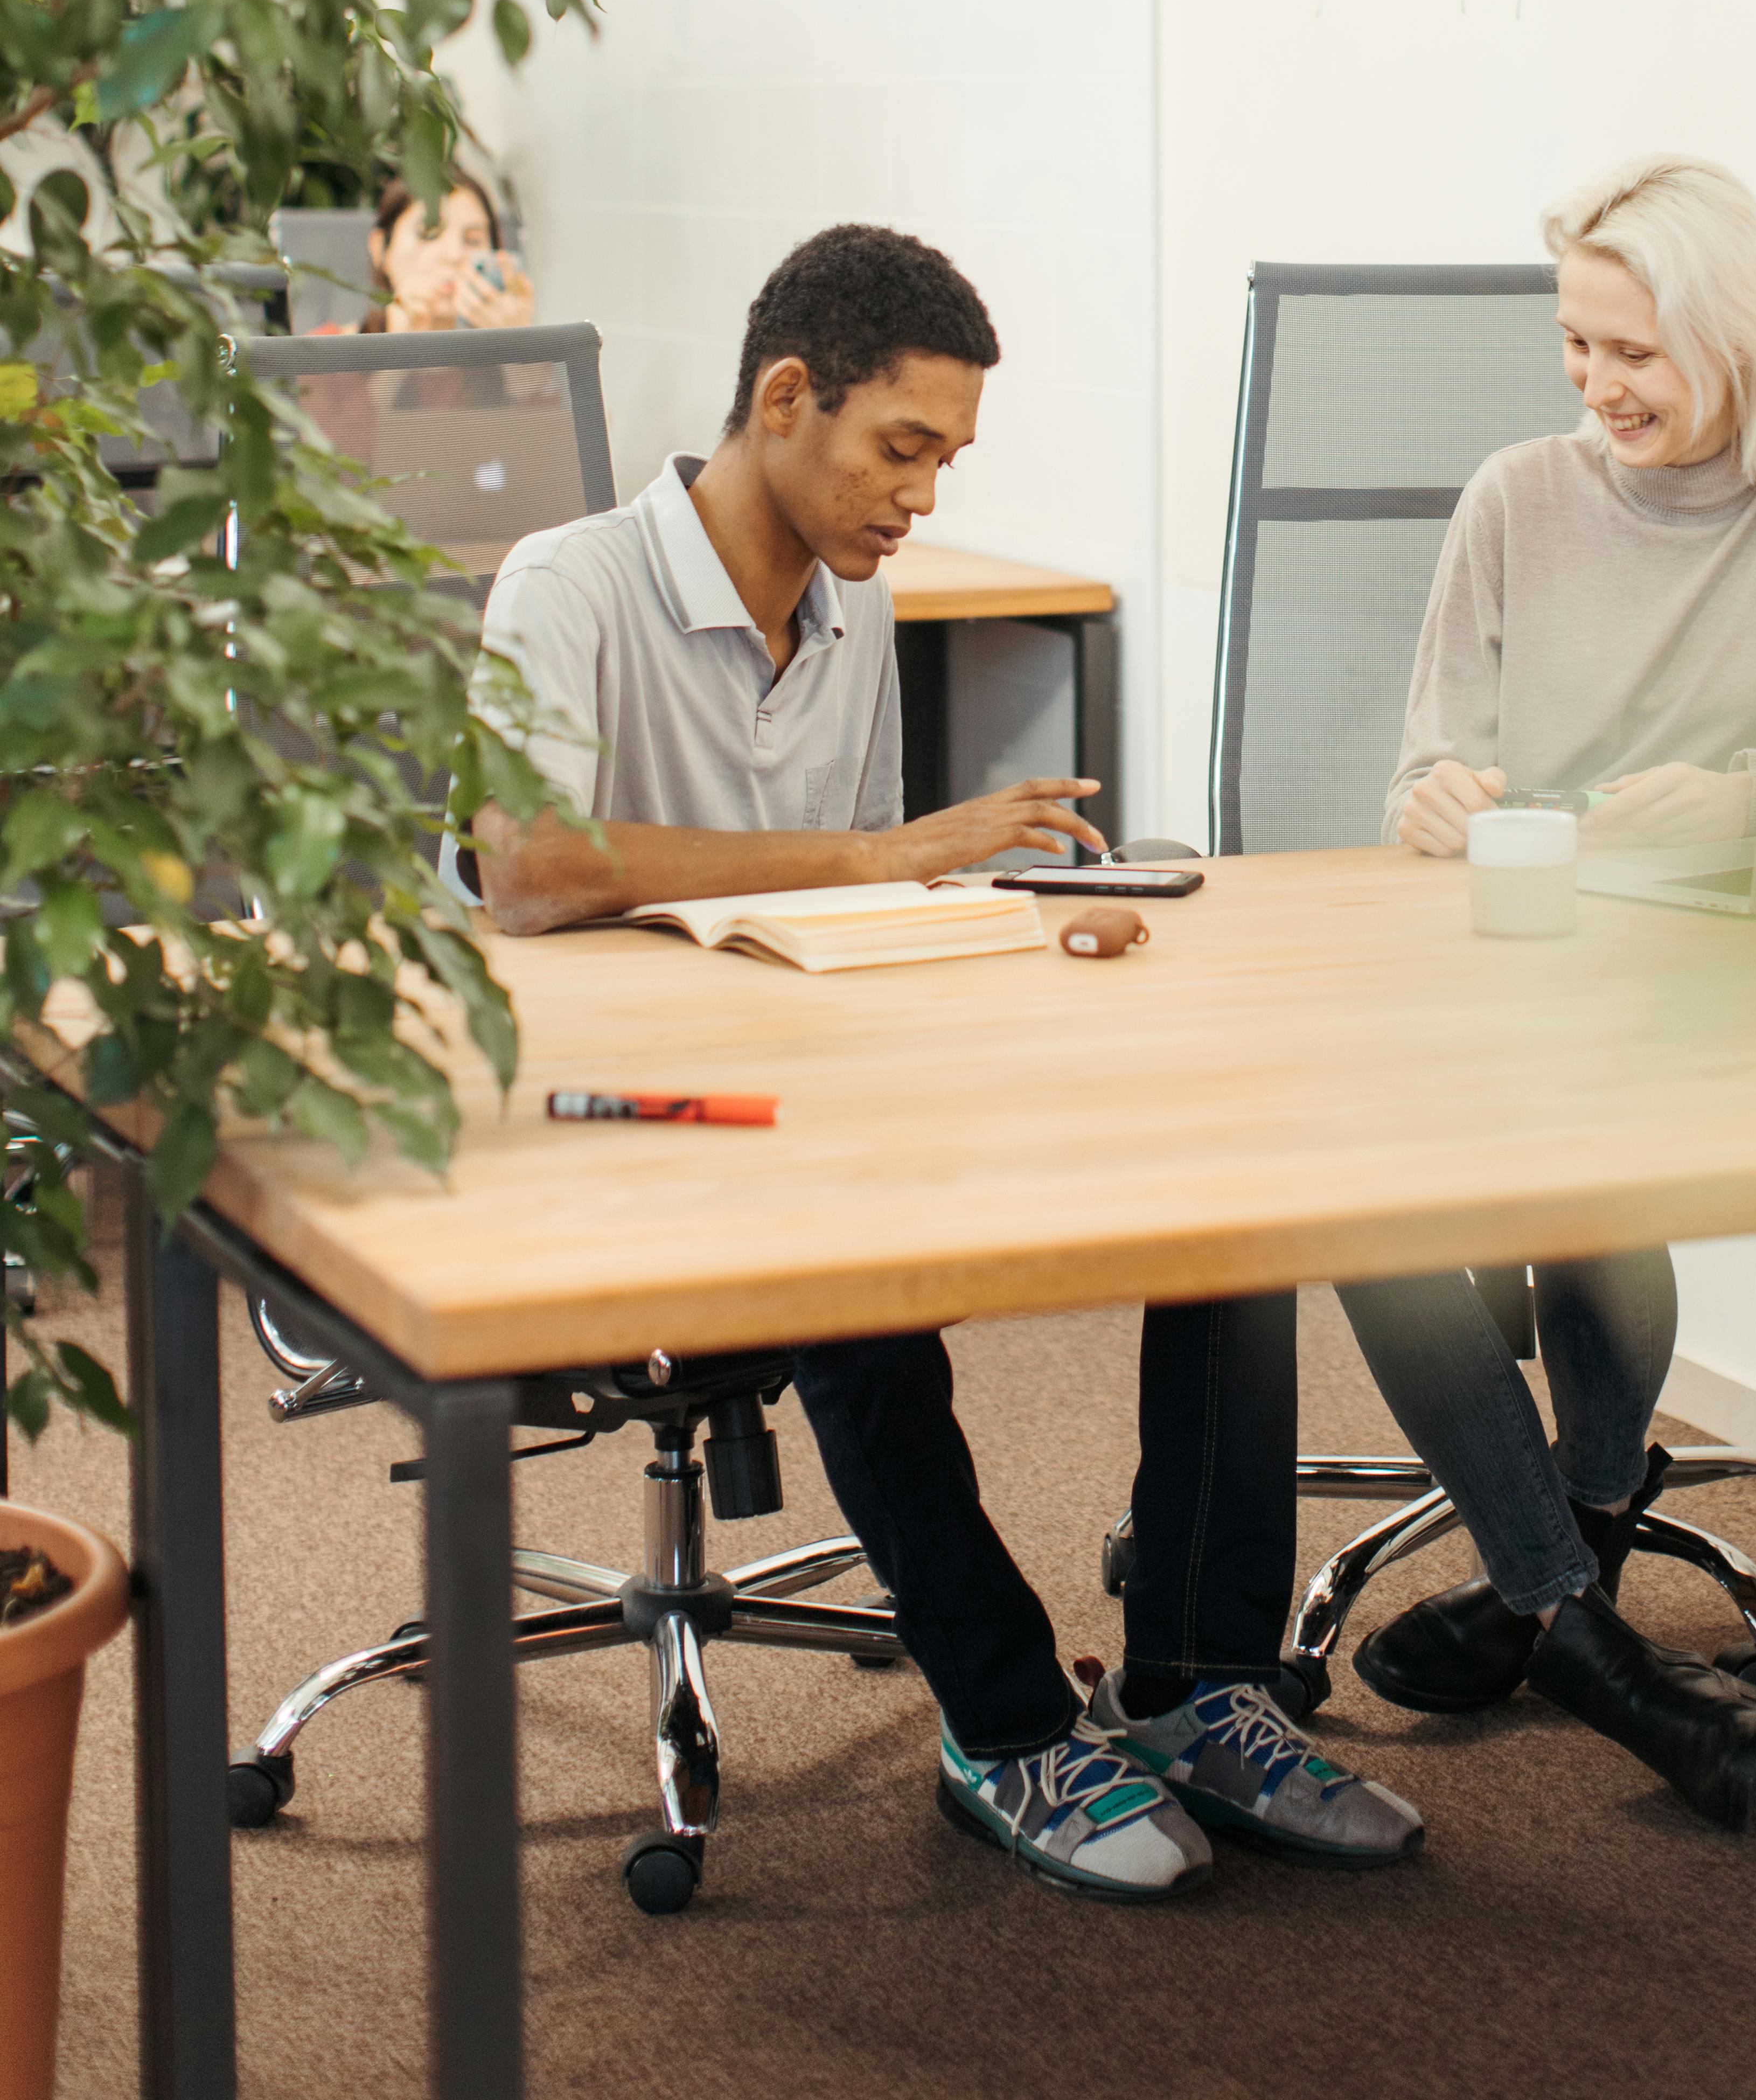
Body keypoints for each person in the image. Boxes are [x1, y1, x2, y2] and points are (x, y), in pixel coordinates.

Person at [473, 220, 1421, 1902]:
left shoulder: (852, 607)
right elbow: (527, 865)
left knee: (1229, 1185)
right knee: (851, 1257)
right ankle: (1004, 1721)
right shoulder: (570, 582)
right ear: (786, 398)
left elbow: (858, 907)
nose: (919, 494)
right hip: (607, 1124)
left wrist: (1005, 930)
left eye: (946, 461)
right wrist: (881, 859)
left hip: (807, 1083)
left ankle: (1198, 1683)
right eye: (901, 447)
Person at [1335, 154, 1756, 1831]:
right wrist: (1436, 798)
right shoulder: (1515, 497)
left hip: (1734, 985)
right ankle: (1571, 1602)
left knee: (1596, 1164)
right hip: (1522, 959)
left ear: (1737, 341)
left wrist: (1746, 799)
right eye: (1575, 345)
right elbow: (1421, 766)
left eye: (1634, 351)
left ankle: (1544, 1586)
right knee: (1354, 1197)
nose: (1596, 387)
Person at [360, 170, 534, 333]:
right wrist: (395, 348)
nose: (454, 254)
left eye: (473, 240)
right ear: (379, 248)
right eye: (429, 234)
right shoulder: (343, 347)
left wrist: (518, 343)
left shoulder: (513, 343)